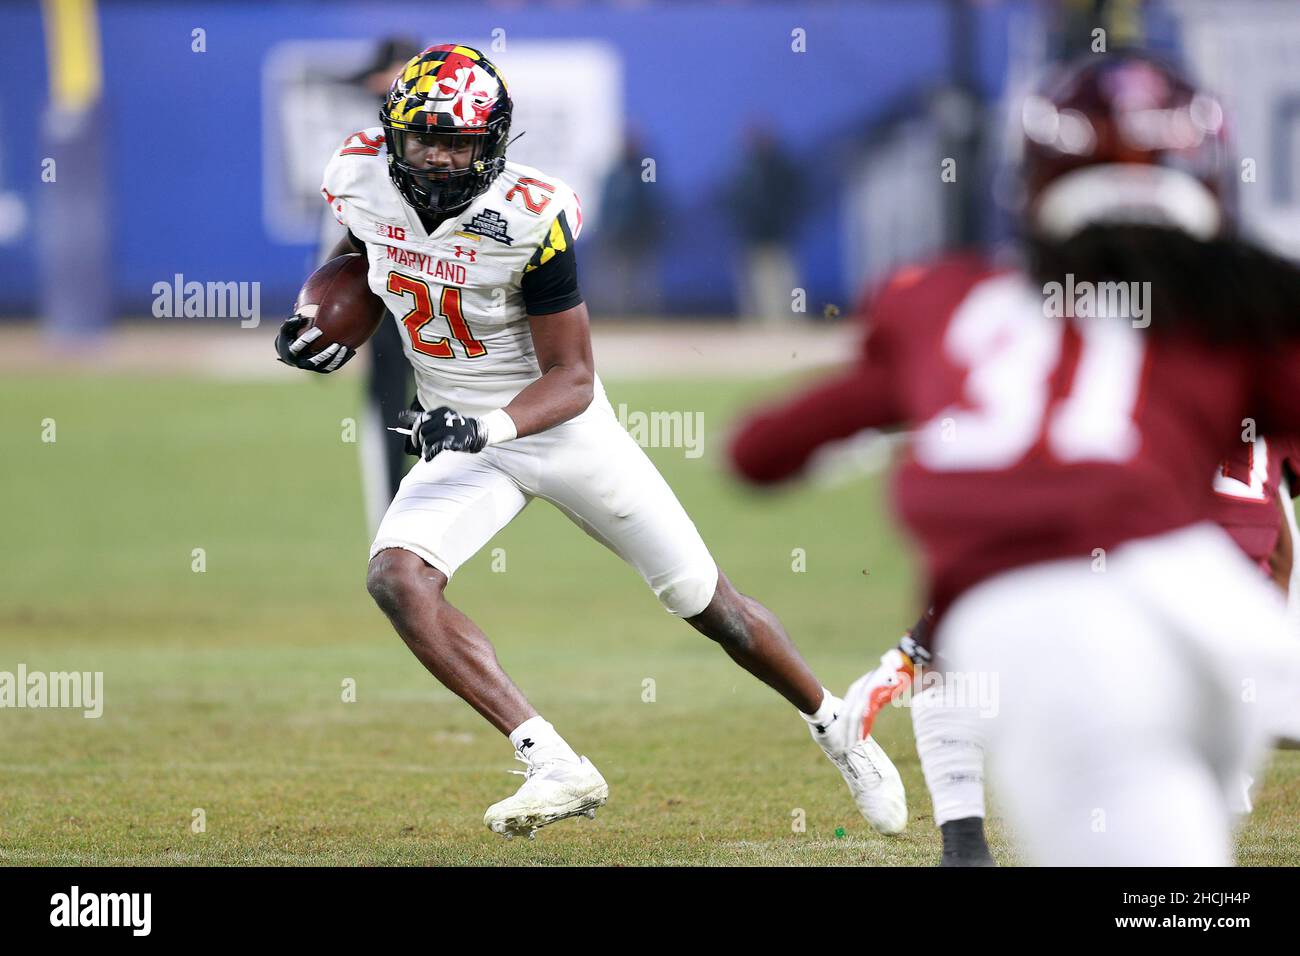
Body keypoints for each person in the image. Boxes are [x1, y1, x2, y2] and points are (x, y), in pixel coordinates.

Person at [273, 44, 905, 839]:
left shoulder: (530, 217)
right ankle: (554, 762)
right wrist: (316, 314)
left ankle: (833, 723)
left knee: (713, 608)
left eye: (457, 140)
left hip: (557, 427)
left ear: (493, 142)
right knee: (397, 578)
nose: (436, 157)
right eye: (422, 138)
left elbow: (571, 376)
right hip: (458, 432)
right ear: (393, 135)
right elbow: (368, 250)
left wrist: (485, 424)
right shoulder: (360, 174)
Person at [733, 49, 1300, 864]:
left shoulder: (949, 299)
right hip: (1214, 600)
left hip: (1036, 619)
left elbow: (758, 452)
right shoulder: (1244, 305)